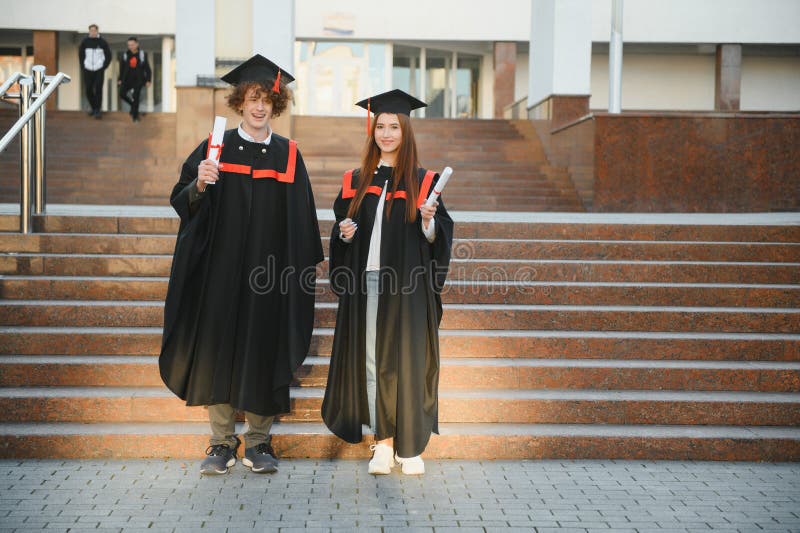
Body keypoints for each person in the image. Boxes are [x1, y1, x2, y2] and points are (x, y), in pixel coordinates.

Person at [159, 54, 324, 476]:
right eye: (252, 98)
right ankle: (220, 442)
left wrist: (295, 273)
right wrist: (200, 182)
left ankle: (258, 440)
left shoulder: (288, 155)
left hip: (267, 277)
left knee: (263, 348)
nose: (259, 107)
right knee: (219, 350)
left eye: (267, 99)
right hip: (220, 272)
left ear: (277, 104)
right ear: (239, 101)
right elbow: (184, 200)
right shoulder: (216, 147)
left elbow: (302, 220)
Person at [321, 89, 454, 476]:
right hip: (370, 283)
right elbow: (343, 230)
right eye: (380, 126)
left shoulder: (424, 181)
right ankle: (382, 442)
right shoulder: (355, 180)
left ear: (406, 130)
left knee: (408, 361)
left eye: (394, 126)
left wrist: (428, 221)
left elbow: (438, 236)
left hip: (409, 287)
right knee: (374, 360)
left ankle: (409, 445)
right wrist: (344, 234)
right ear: (372, 129)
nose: (386, 133)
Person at [78, 24, 111, 119]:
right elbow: (81, 55)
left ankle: (97, 110)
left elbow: (108, 55)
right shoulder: (85, 42)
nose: (92, 32)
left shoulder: (102, 42)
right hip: (87, 69)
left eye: (94, 30)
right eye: (91, 30)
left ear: (97, 31)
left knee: (98, 89)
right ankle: (93, 108)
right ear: (89, 31)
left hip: (99, 70)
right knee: (88, 90)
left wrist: (104, 66)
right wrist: (83, 66)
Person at [118, 37, 151, 122]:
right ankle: (133, 106)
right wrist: (120, 78)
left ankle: (135, 117)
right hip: (127, 79)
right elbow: (121, 68)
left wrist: (148, 80)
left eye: (132, 45)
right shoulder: (125, 55)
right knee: (122, 93)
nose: (131, 47)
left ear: (137, 44)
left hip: (138, 80)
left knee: (136, 97)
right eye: (129, 45)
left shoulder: (142, 54)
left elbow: (147, 68)